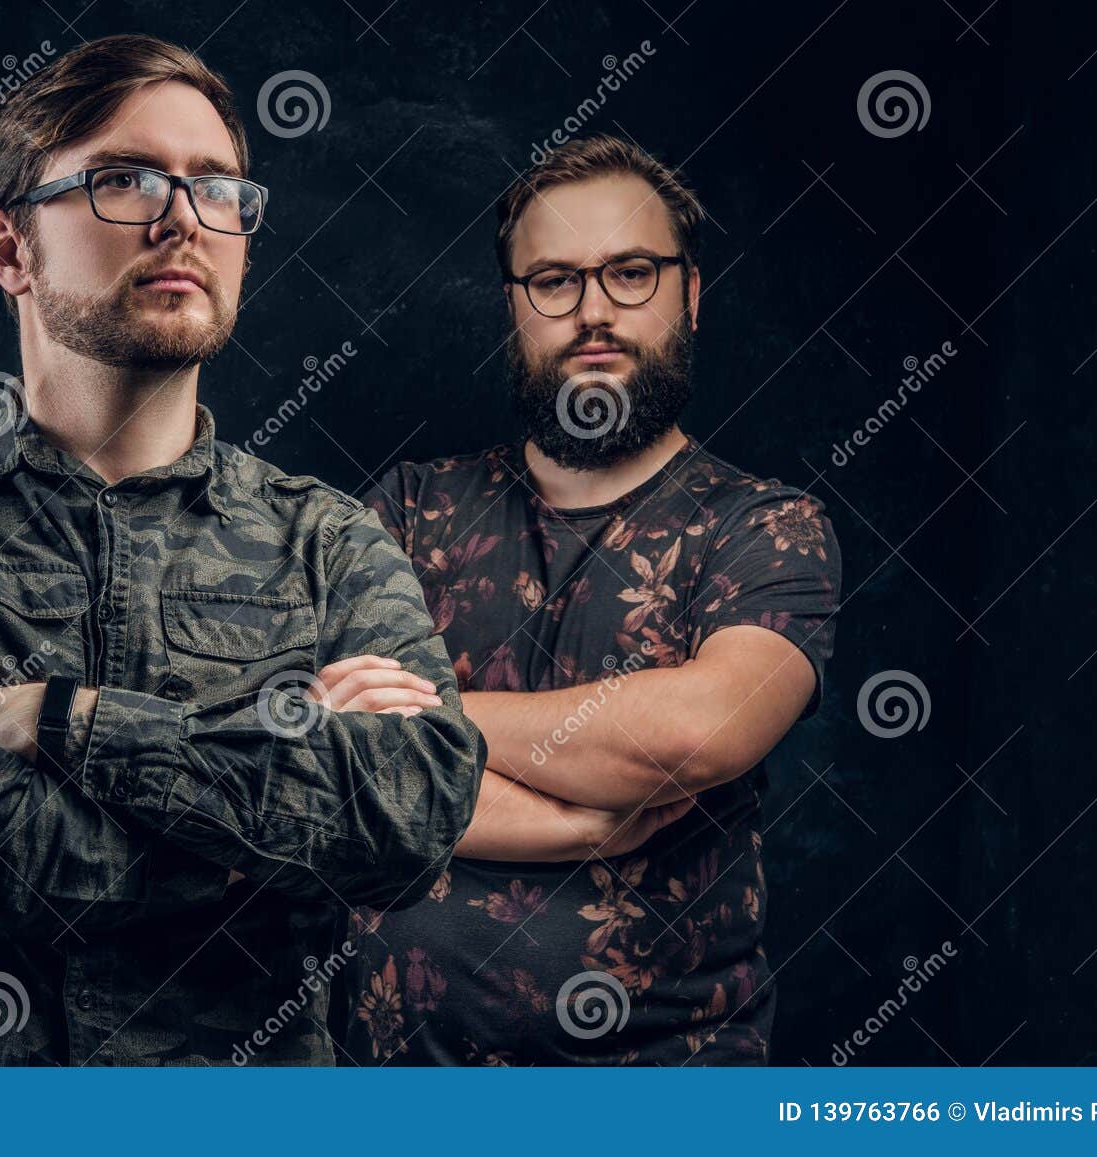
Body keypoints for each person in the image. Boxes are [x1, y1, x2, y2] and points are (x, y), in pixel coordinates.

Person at [0, 33, 485, 1066]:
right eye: (123, 180)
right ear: (8, 249)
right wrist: (251, 829)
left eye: (218, 187)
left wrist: (54, 717)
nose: (183, 216)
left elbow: (409, 813)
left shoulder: (328, 542)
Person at [344, 135, 842, 1065]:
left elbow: (697, 732)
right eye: (556, 281)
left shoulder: (765, 527)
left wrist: (431, 720)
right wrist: (573, 821)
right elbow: (331, 760)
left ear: (690, 295)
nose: (595, 312)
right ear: (514, 308)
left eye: (630, 272)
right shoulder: (406, 510)